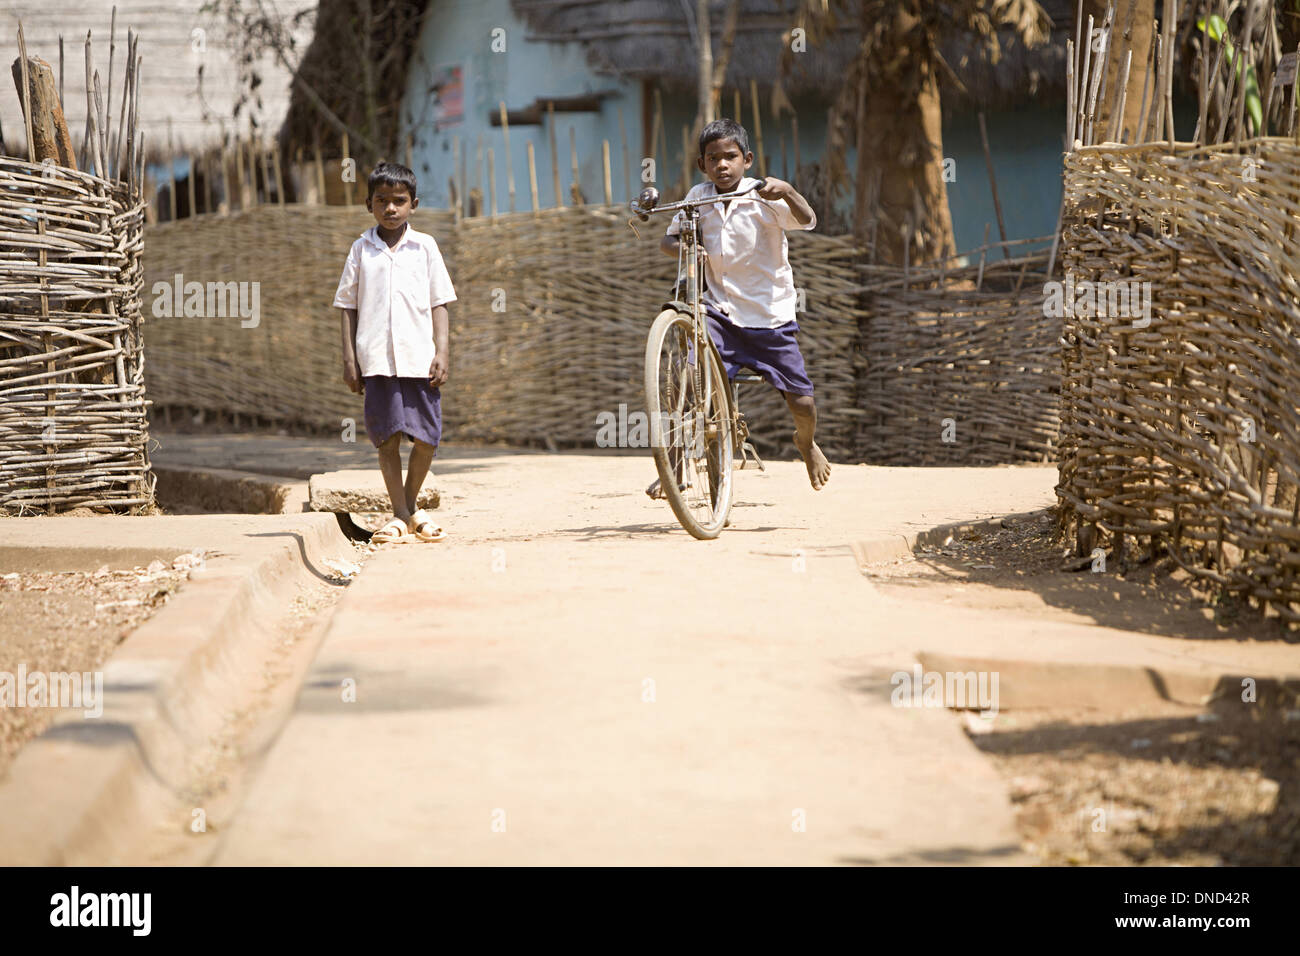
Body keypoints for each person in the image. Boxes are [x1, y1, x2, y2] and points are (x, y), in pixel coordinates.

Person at [656, 117, 831, 492]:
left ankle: (806, 442)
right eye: (713, 158)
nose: (722, 164)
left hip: (769, 317)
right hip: (717, 311)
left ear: (747, 159)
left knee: (802, 402)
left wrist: (788, 191)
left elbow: (808, 220)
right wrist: (689, 248)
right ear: (702, 164)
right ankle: (673, 465)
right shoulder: (697, 198)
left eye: (730, 156)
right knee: (690, 381)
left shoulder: (765, 196)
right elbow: (667, 241)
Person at [333, 161, 456, 543]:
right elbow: (347, 306)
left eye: (398, 201)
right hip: (377, 361)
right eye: (382, 201)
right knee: (386, 439)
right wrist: (350, 359)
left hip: (419, 358)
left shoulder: (425, 247)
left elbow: (440, 303)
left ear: (413, 204)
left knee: (427, 438)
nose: (390, 208)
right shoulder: (360, 250)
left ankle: (410, 506)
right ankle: (401, 514)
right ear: (368, 203)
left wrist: (443, 352)